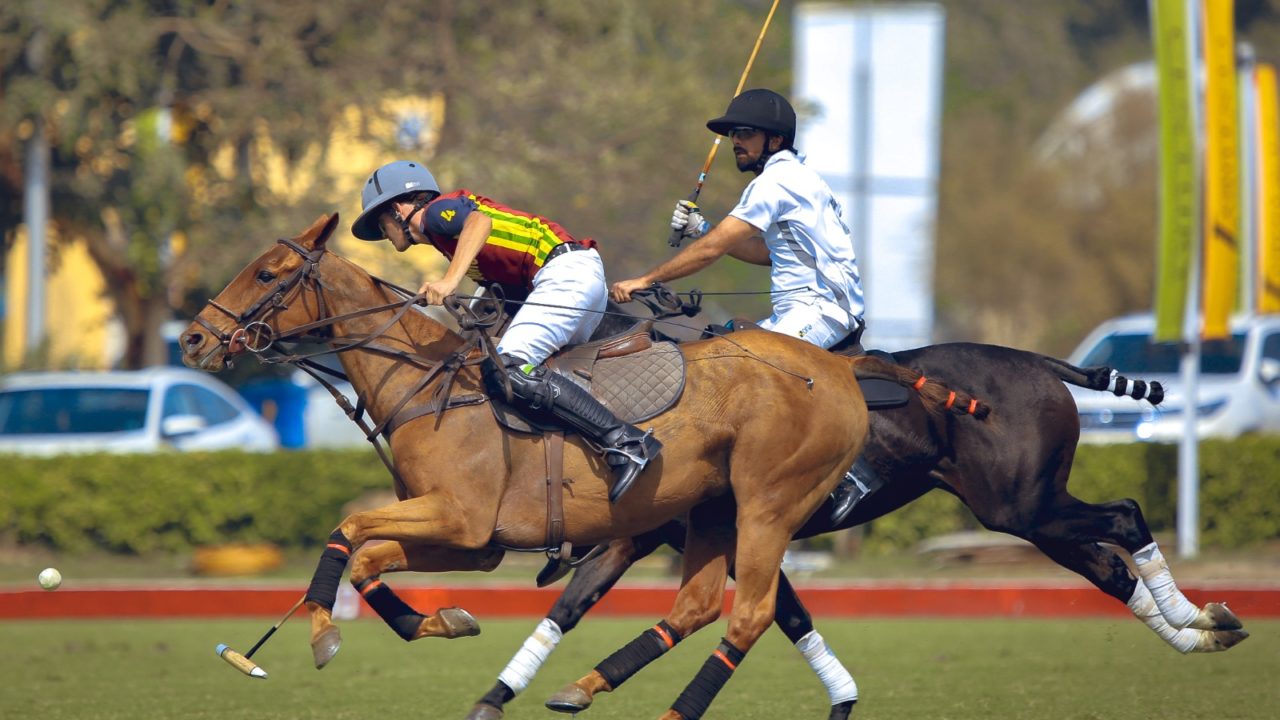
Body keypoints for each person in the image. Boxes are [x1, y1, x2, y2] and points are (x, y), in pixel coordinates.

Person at [608, 88, 868, 520]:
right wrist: (705, 226)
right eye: (733, 134)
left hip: (821, 312)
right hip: (805, 310)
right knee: (720, 342)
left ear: (775, 140)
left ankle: (847, 479)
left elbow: (714, 250)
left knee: (742, 365)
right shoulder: (795, 177)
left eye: (745, 133)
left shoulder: (777, 181)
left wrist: (645, 279)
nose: (735, 141)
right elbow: (766, 253)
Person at [351, 160, 661, 503]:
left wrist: (449, 281)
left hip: (564, 274)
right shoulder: (446, 242)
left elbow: (478, 222)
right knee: (535, 377)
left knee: (510, 368)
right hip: (572, 277)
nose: (382, 234)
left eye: (380, 222)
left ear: (399, 209)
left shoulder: (436, 213)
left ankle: (625, 442)